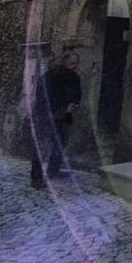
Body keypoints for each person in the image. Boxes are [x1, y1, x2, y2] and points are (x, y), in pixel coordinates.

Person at [30, 50, 82, 188]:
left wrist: (73, 104)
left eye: (76, 63)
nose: (75, 66)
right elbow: (44, 98)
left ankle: (53, 170)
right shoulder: (48, 77)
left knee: (60, 144)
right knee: (42, 147)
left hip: (61, 117)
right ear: (63, 61)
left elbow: (76, 94)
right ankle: (36, 178)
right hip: (46, 117)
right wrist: (63, 108)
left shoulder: (72, 76)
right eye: (72, 63)